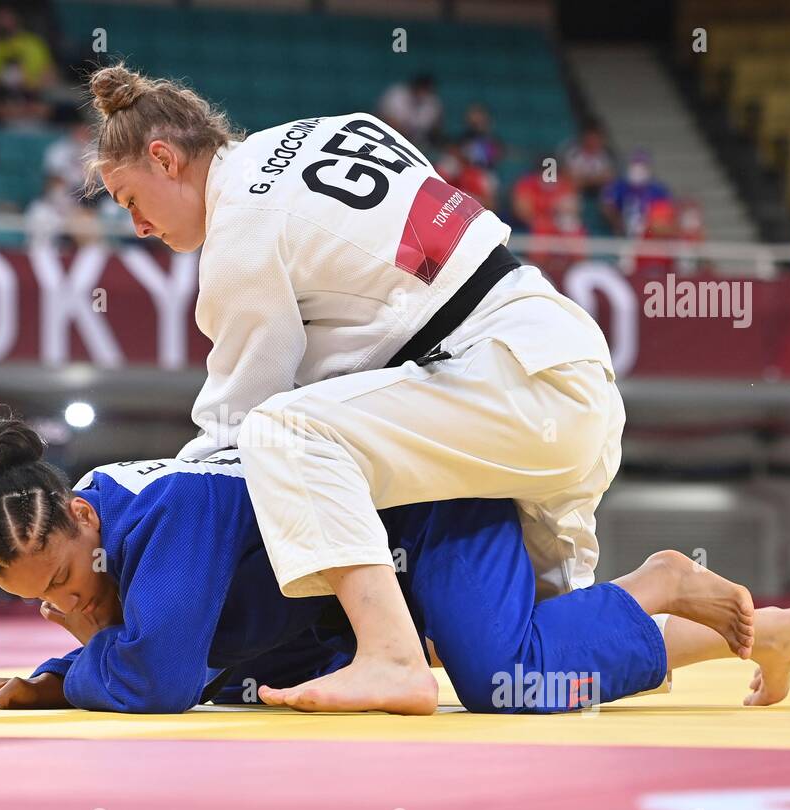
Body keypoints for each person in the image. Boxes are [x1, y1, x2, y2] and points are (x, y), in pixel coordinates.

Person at [83, 65, 636, 714]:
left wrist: (147, 518)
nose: (140, 226)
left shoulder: (239, 231)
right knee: (522, 659)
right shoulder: (332, 128)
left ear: (164, 158)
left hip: (506, 384)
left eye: (130, 201)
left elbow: (235, 429)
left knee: (282, 433)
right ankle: (691, 607)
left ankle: (391, 657)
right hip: (557, 358)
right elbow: (414, 264)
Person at [0, 414, 790, 714]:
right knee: (511, 669)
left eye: (61, 580)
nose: (67, 600)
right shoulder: (106, 537)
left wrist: (70, 663)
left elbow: (162, 675)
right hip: (369, 582)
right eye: (38, 601)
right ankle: (757, 638)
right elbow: (175, 659)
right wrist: (41, 678)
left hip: (428, 513)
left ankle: (658, 581)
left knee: (502, 679)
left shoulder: (165, 514)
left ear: (83, 516)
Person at [601, 148, 670, 237]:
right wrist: (619, 223)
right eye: (636, 164)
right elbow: (607, 206)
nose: (638, 169)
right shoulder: (618, 185)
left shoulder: (658, 189)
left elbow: (664, 213)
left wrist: (649, 225)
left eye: (642, 165)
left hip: (649, 233)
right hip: (622, 231)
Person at [377, 74, 442, 150]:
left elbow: (436, 128)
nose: (423, 94)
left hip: (419, 144)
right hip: (388, 139)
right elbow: (384, 120)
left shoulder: (432, 102)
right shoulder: (396, 95)